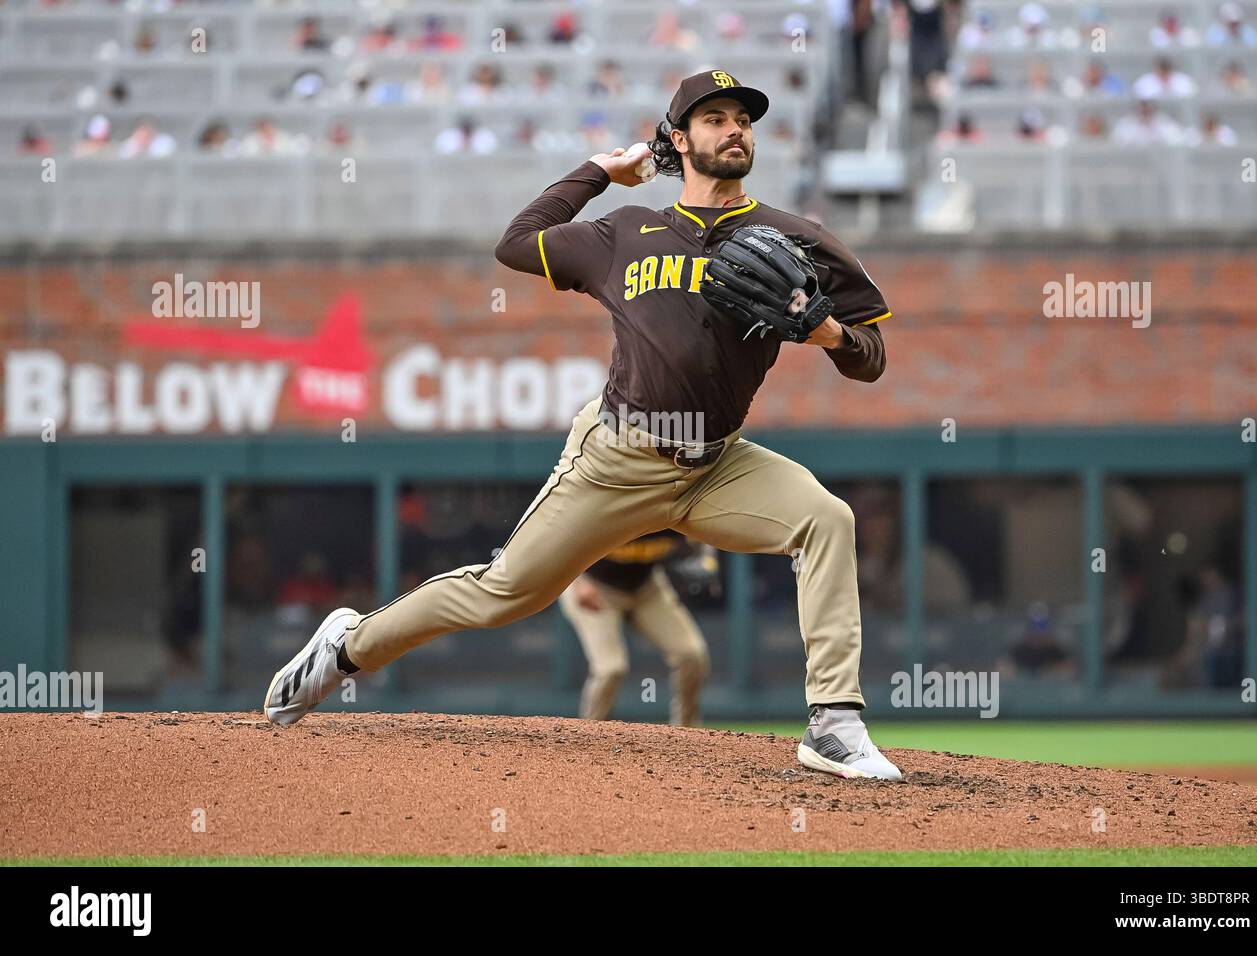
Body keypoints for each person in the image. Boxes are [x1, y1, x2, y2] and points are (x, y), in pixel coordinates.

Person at [263, 70, 902, 782]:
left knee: (826, 519)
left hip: (718, 464)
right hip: (619, 458)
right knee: (503, 591)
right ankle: (348, 647)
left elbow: (871, 357)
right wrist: (599, 171)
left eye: (742, 119)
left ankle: (835, 725)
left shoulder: (795, 237)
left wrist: (832, 336)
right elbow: (517, 242)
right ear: (678, 139)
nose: (734, 129)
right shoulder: (626, 232)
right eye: (714, 117)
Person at [558, 531, 712, 725]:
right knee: (610, 669)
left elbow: (705, 533)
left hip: (647, 588)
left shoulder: (672, 513)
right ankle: (588, 737)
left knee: (692, 655)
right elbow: (564, 534)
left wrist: (705, 558)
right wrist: (576, 580)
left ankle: (687, 733)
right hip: (593, 586)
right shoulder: (620, 508)